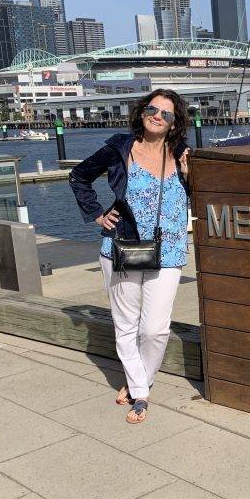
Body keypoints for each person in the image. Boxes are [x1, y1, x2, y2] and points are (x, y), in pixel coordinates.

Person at [69, 89, 191, 424]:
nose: (158, 116)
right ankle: (141, 393)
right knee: (126, 325)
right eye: (153, 109)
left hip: (169, 250)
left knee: (154, 329)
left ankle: (139, 380)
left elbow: (198, 194)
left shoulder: (181, 153)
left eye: (167, 114)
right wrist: (96, 214)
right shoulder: (119, 149)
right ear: (142, 112)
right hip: (122, 247)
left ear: (174, 122)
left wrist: (190, 175)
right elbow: (79, 177)